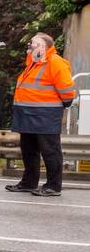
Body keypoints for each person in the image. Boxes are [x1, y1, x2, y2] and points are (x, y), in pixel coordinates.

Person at [6, 32, 76, 197]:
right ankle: (29, 183)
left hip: (45, 114)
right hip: (28, 114)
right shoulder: (34, 62)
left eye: (33, 43)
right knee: (28, 150)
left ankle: (53, 186)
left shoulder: (55, 63)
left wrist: (65, 103)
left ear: (43, 46)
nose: (29, 45)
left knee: (50, 151)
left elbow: (66, 89)